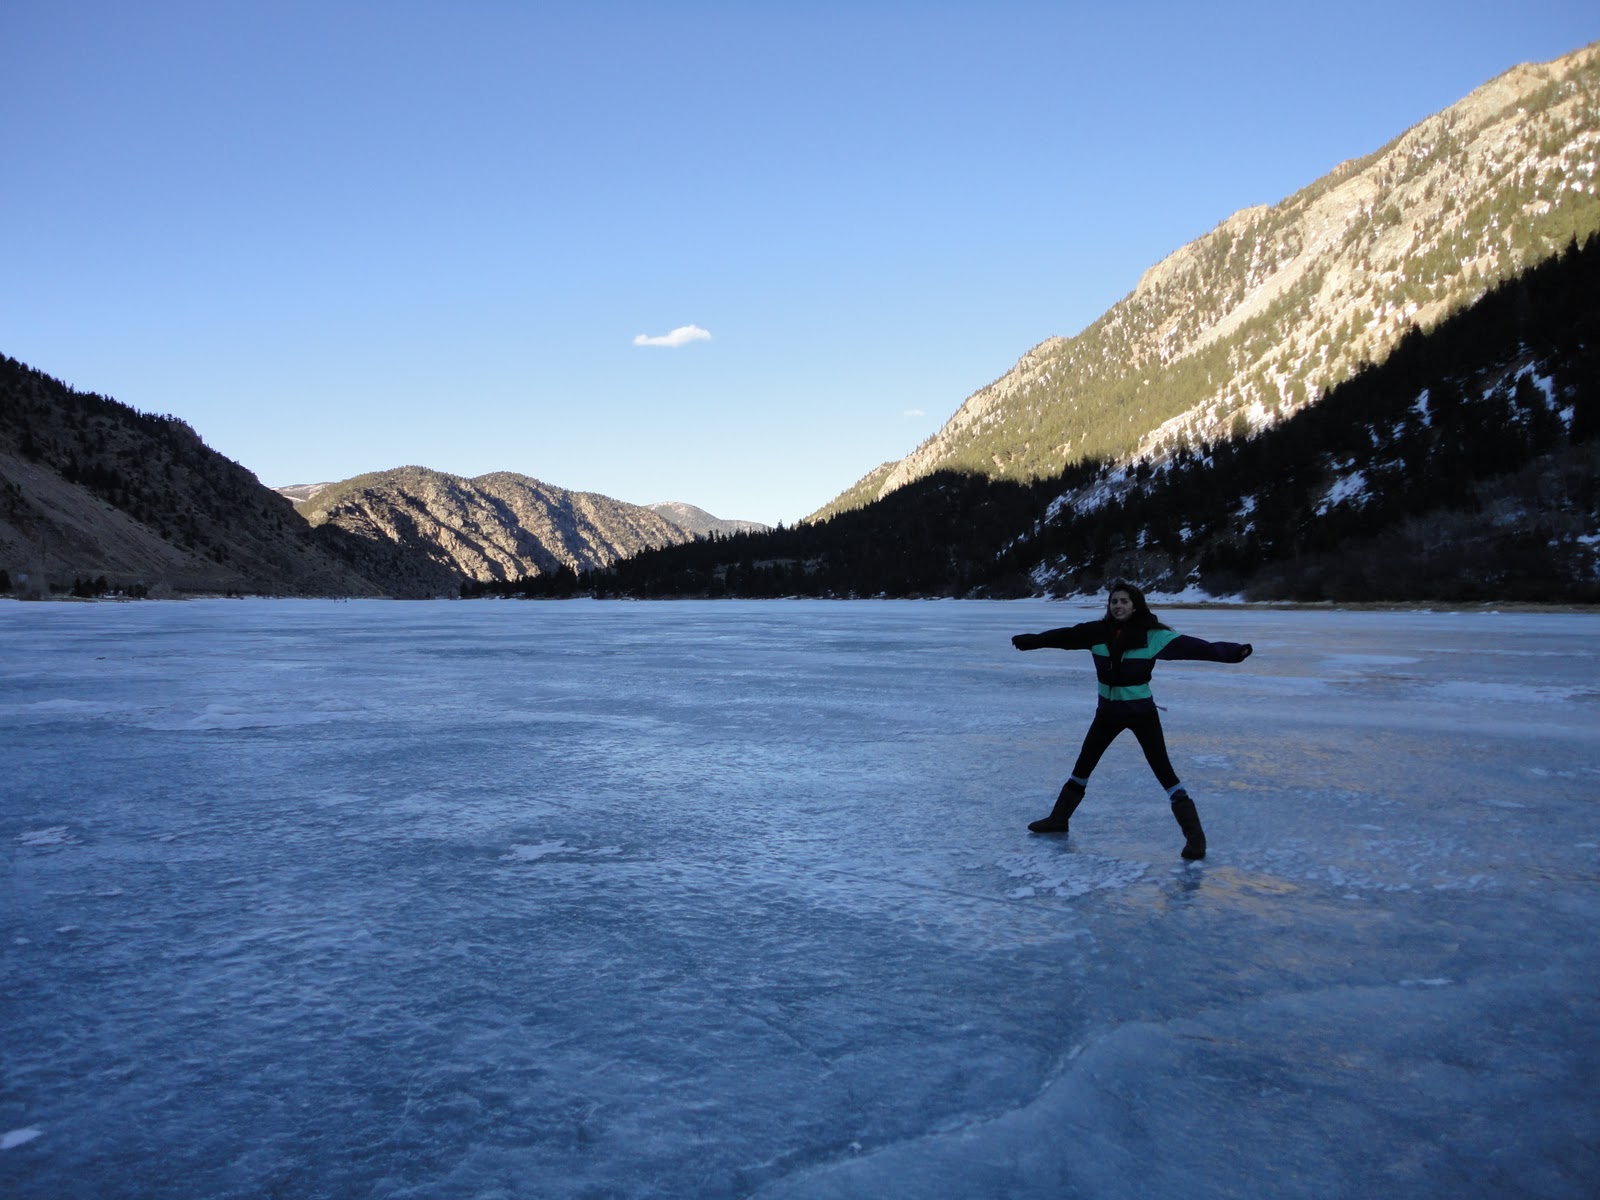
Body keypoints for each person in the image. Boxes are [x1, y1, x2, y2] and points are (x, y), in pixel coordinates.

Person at [1011, 581, 1253, 860]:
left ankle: (1195, 839)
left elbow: (1196, 648)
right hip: (1107, 714)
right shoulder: (1097, 632)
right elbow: (1065, 636)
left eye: (1124, 601)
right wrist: (1033, 641)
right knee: (1083, 766)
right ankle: (1058, 819)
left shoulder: (1153, 636)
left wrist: (1233, 652)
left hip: (1141, 714)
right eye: (1114, 601)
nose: (1118, 606)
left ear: (1135, 605)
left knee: (1165, 773)